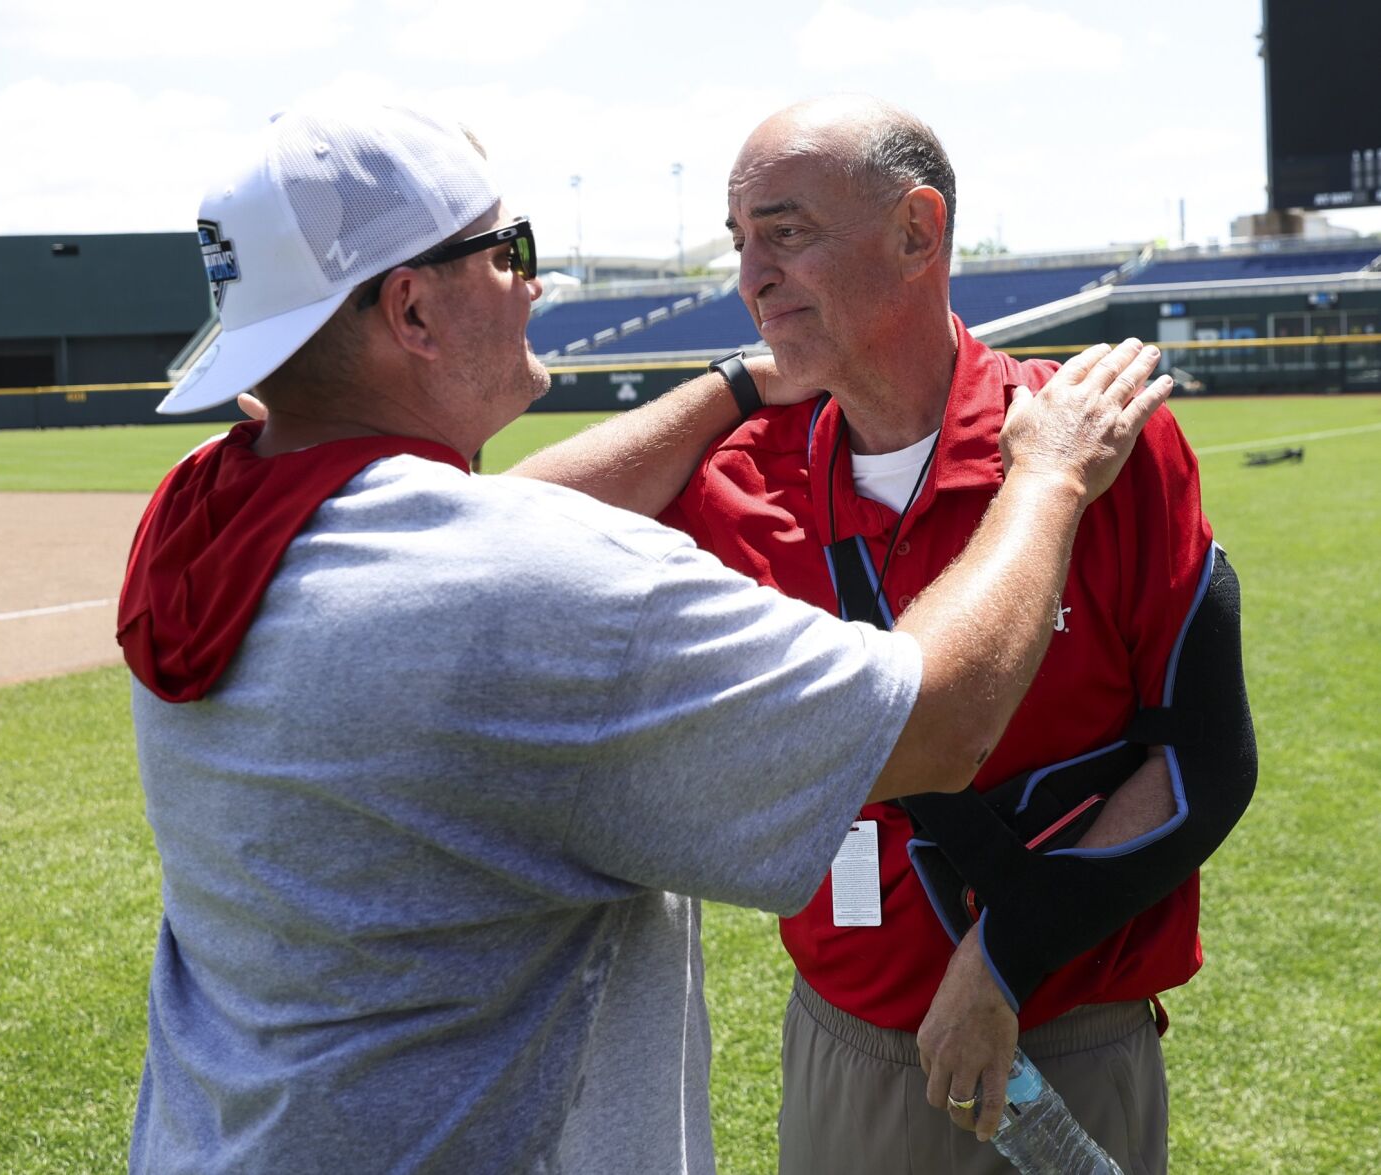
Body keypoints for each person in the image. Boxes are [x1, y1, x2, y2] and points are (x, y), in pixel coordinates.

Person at [117, 101, 1172, 1174]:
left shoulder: (204, 515)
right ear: (413, 311)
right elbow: (936, 718)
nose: (532, 284)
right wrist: (1043, 476)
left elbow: (485, 514)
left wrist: (737, 382)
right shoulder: (519, 588)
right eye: (505, 250)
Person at [512, 95, 1257, 1173]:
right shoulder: (740, 471)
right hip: (845, 1038)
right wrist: (731, 383)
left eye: (785, 232)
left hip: (1069, 1033)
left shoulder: (1091, 440)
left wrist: (1003, 957)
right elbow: (507, 535)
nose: (748, 276)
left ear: (917, 230)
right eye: (739, 244)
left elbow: (1201, 759)